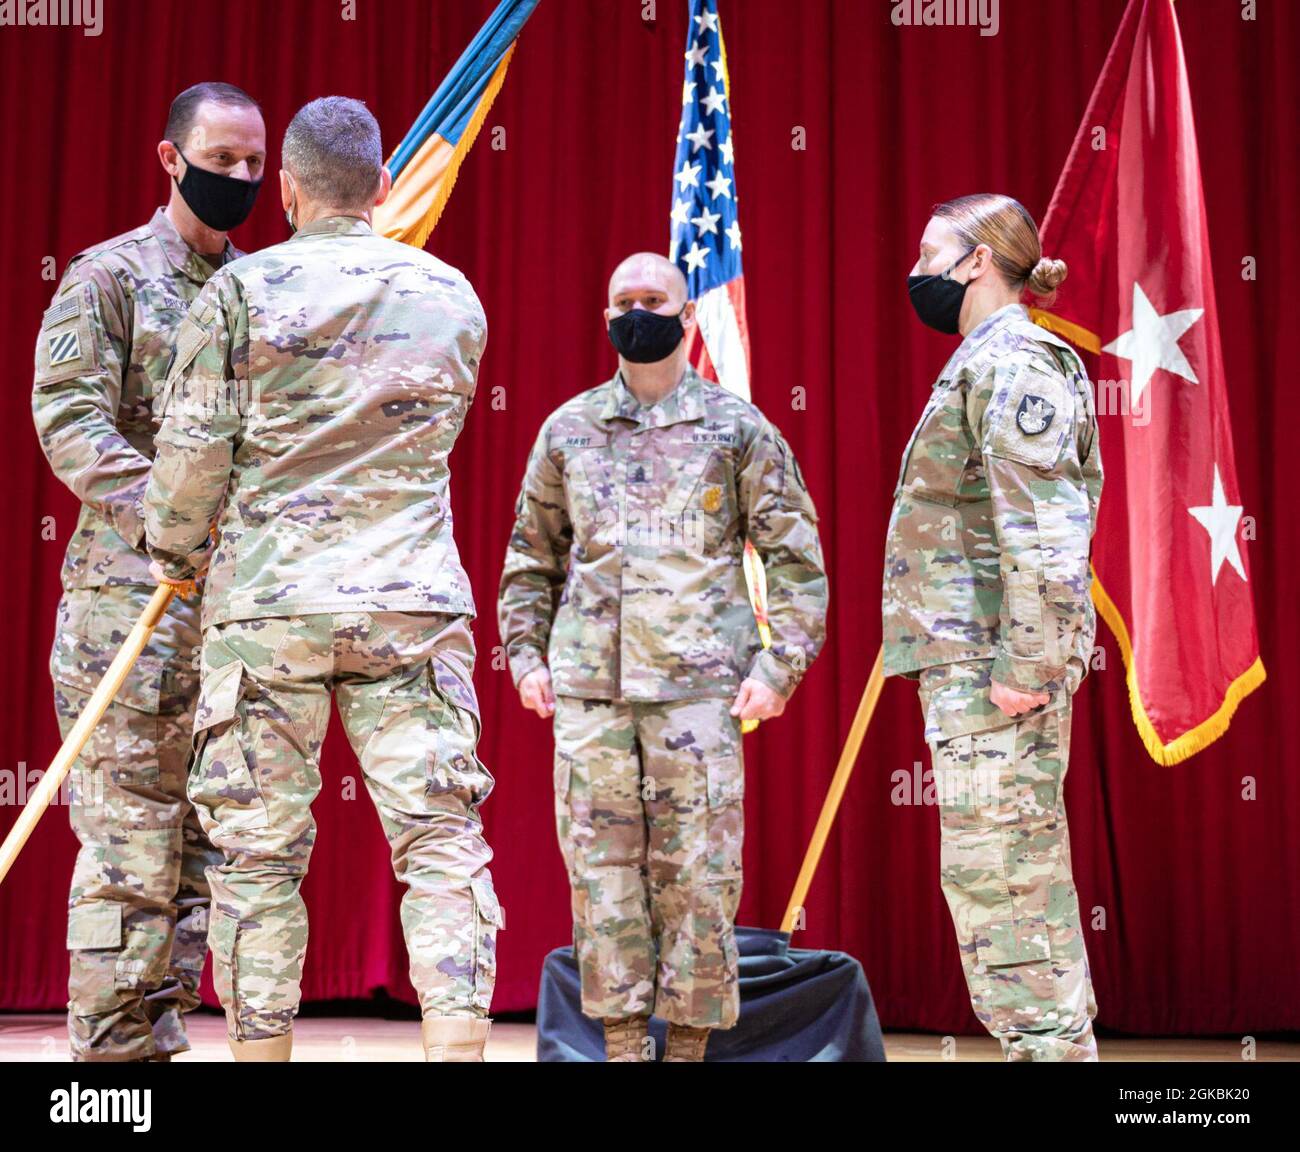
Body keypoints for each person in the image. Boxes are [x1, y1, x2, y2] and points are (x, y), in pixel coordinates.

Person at [143, 96, 499, 1062]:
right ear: (383, 187)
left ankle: (261, 1053)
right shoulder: (452, 295)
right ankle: (459, 1049)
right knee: (439, 840)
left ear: (287, 189)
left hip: (270, 604)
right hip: (410, 601)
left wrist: (176, 557)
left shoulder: (239, 294)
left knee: (256, 855)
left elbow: (191, 456)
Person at [498, 252, 828, 1061]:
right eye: (623, 302)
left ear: (686, 317)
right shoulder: (568, 429)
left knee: (698, 879)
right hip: (590, 695)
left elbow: (796, 558)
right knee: (602, 881)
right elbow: (528, 558)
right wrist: (524, 655)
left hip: (699, 694)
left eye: (655, 300)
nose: (637, 312)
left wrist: (778, 667)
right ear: (604, 318)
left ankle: (685, 1051)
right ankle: (618, 1046)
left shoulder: (737, 428)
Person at [31, 81, 265, 1062]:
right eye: (222, 160)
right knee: (125, 866)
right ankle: (101, 1068)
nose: (240, 179)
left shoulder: (264, 290)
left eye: (256, 165)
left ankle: (151, 1056)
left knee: (197, 871)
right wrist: (169, 506)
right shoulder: (108, 281)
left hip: (228, 630)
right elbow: (69, 421)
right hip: (124, 623)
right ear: (171, 159)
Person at [886, 193, 1103, 1060]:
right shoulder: (989, 359)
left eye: (929, 250)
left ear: (976, 260)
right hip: (973, 664)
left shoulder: (1014, 363)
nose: (916, 269)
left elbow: (1045, 537)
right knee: (1011, 882)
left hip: (997, 674)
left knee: (1005, 892)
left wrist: (1025, 665)